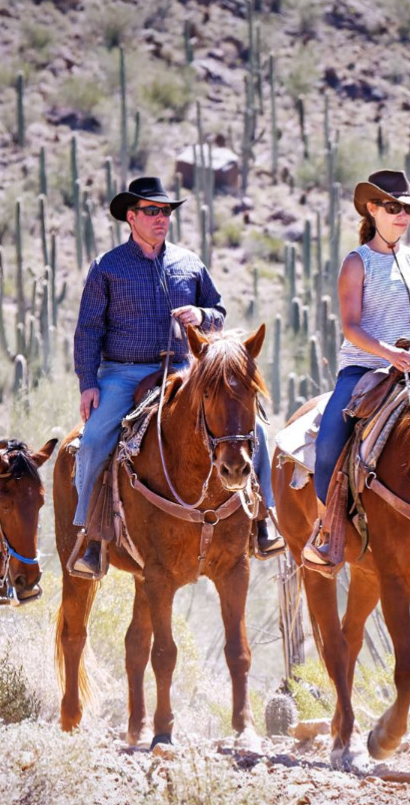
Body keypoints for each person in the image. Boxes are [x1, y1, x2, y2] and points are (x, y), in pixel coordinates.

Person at [71, 176, 283, 577]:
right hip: (124, 373)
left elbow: (218, 311)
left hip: (187, 369)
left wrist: (201, 315)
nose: (161, 218)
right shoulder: (107, 267)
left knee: (253, 427)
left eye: (166, 211)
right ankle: (91, 536)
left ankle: (262, 520)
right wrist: (88, 382)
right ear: (131, 217)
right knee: (95, 438)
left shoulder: (189, 263)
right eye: (152, 211)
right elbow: (88, 330)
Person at [303, 169, 410, 573]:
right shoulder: (357, 263)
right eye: (394, 208)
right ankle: (328, 530)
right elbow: (351, 326)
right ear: (372, 209)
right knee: (328, 444)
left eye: (409, 209)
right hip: (366, 368)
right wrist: (389, 353)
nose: (403, 215)